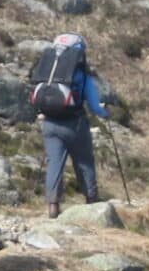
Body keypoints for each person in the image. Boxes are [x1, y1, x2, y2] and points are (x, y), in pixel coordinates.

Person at [31, 33, 111, 219]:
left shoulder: (47, 72)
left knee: (54, 164)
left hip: (50, 124)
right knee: (84, 161)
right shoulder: (81, 76)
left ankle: (53, 205)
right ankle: (91, 199)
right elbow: (93, 105)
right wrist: (105, 113)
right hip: (75, 124)